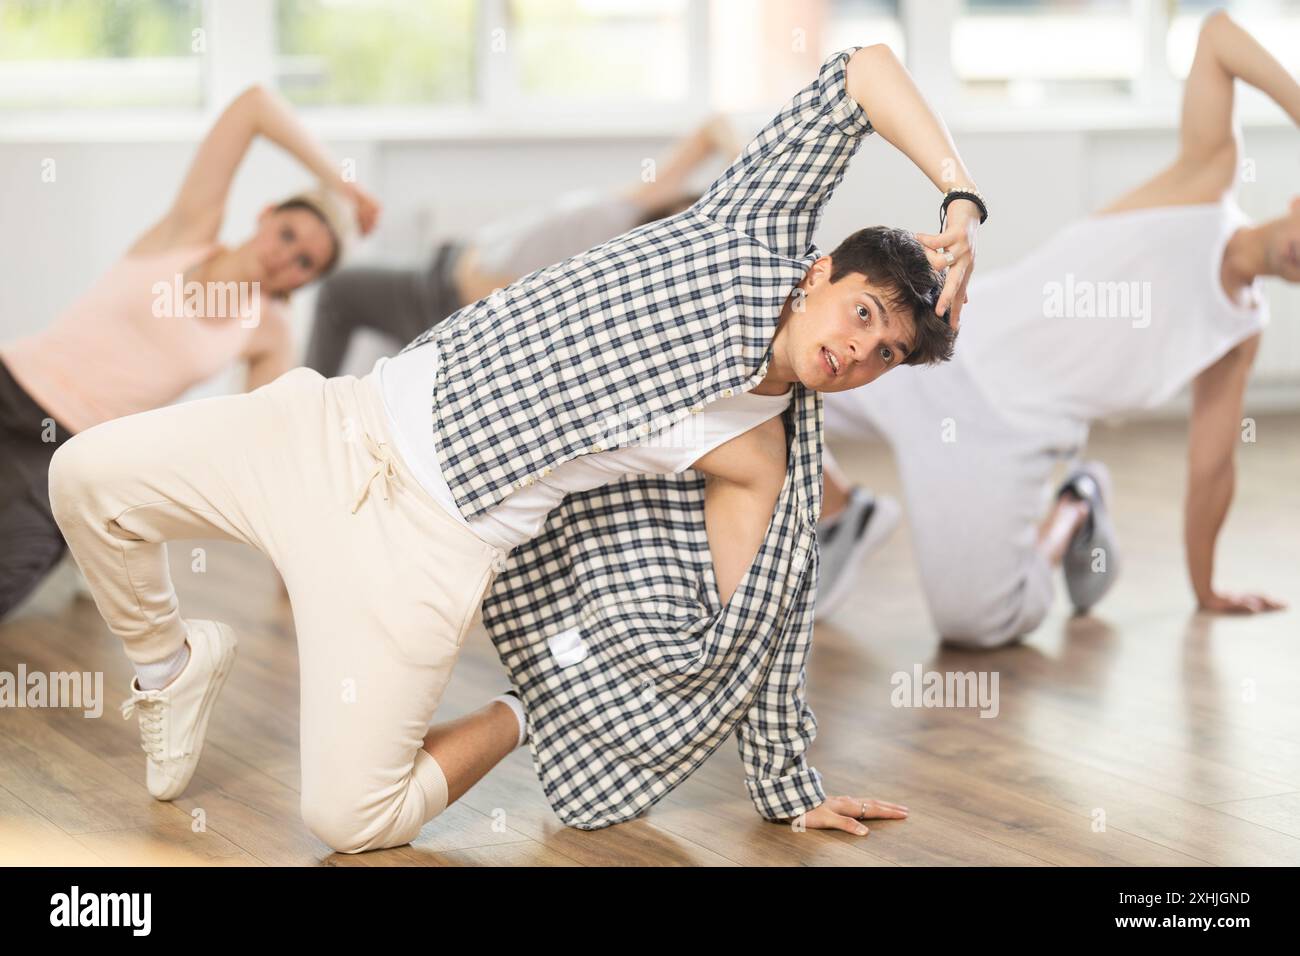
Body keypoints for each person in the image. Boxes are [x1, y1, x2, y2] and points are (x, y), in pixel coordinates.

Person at [47, 44, 981, 853]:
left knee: (351, 818)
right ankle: (170, 668)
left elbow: (761, 631)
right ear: (820, 275)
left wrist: (790, 787)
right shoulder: (743, 232)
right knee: (85, 476)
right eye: (864, 314)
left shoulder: (760, 457)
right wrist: (958, 195)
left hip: (426, 556)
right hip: (336, 430)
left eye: (888, 353)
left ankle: (529, 714)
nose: (861, 350)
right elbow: (863, 70)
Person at [816, 11, 1292, 644]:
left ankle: (1075, 506)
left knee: (976, 628)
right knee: (751, 375)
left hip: (1013, 433)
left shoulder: (1238, 334)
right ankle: (842, 509)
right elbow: (1217, 36)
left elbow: (1212, 468)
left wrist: (1205, 590)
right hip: (926, 351)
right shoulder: (1204, 180)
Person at [0, 82, 378, 619]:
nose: (285, 258)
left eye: (305, 264)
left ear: (306, 282)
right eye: (289, 234)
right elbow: (253, 106)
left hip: (66, 456)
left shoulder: (267, 331)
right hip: (11, 383)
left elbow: (270, 453)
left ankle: (80, 540)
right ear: (266, 214)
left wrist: (296, 570)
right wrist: (342, 185)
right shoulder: (188, 233)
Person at [303, 117, 742, 378]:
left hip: (444, 300)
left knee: (339, 292)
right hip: (445, 265)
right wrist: (744, 171)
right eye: (689, 206)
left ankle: (301, 427)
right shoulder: (635, 204)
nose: (686, 211)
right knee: (352, 307)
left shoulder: (629, 266)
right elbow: (713, 127)